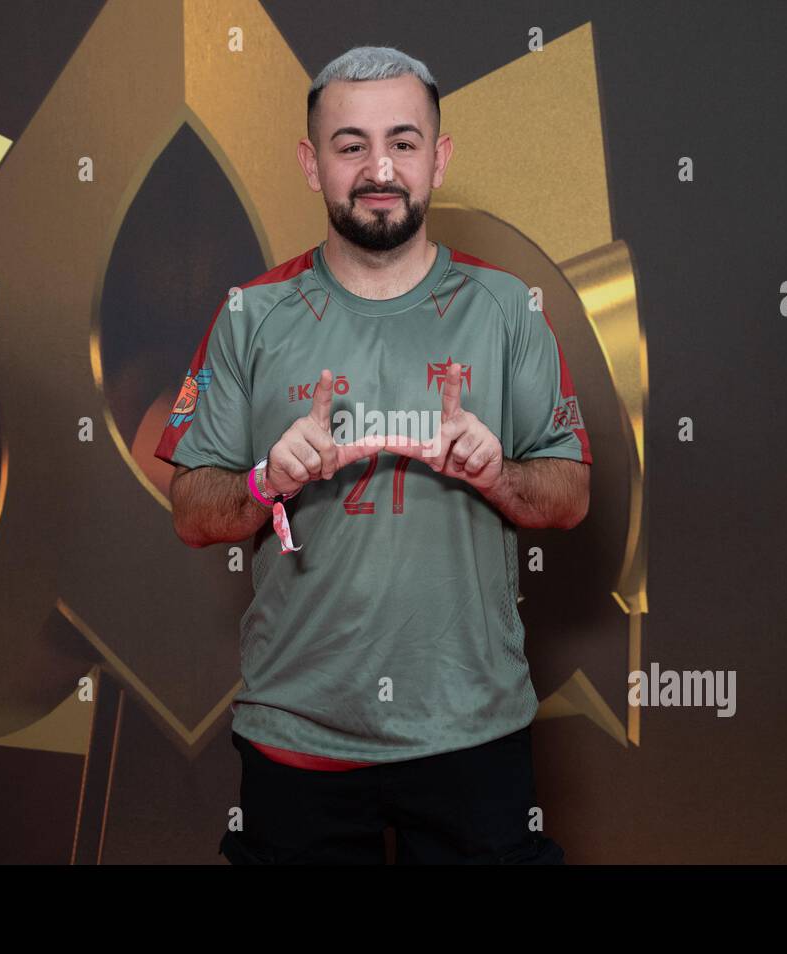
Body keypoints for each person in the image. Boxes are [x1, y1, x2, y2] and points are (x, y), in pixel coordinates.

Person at [155, 45, 591, 864]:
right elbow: (191, 512)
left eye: (404, 141)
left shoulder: (506, 308)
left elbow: (568, 498)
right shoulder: (251, 314)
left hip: (471, 733)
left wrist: (497, 475)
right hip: (299, 737)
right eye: (350, 145)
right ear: (311, 164)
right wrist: (265, 480)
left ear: (440, 157)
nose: (379, 167)